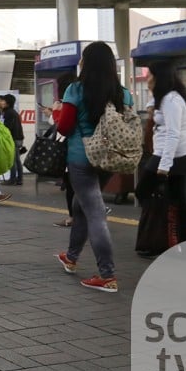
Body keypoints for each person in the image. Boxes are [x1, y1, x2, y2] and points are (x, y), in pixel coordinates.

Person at [53, 41, 131, 293]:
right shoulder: (123, 93)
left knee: (94, 212)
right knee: (81, 204)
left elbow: (64, 128)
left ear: (85, 63)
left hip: (81, 157)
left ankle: (107, 275)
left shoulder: (75, 90)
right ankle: (71, 256)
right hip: (108, 159)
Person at [134, 60, 186, 258]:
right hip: (170, 154)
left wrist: (164, 166)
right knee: (175, 200)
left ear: (159, 78)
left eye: (149, 75)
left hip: (172, 156)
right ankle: (172, 241)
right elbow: (153, 105)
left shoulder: (171, 101)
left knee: (146, 191)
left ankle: (169, 240)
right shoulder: (164, 98)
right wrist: (152, 105)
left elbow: (173, 134)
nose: (147, 78)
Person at [47, 72, 78, 227]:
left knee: (72, 185)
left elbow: (62, 126)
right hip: (90, 150)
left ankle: (74, 217)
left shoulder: (69, 98)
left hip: (73, 150)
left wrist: (55, 111)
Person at [0, 94, 25, 185]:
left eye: (3, 101)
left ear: (8, 103)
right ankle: (19, 179)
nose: (1, 102)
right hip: (18, 138)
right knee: (17, 160)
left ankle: (12, 179)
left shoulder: (9, 112)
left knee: (12, 160)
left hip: (13, 139)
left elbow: (7, 128)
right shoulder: (13, 112)